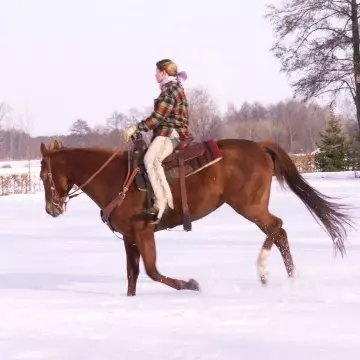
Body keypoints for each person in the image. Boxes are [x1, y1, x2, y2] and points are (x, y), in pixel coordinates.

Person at [123, 59, 192, 224]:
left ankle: (162, 203)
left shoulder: (171, 90)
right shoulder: (172, 88)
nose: (155, 74)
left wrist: (136, 128)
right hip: (167, 132)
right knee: (151, 160)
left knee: (151, 160)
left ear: (163, 72)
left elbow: (158, 117)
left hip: (170, 133)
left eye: (157, 71)